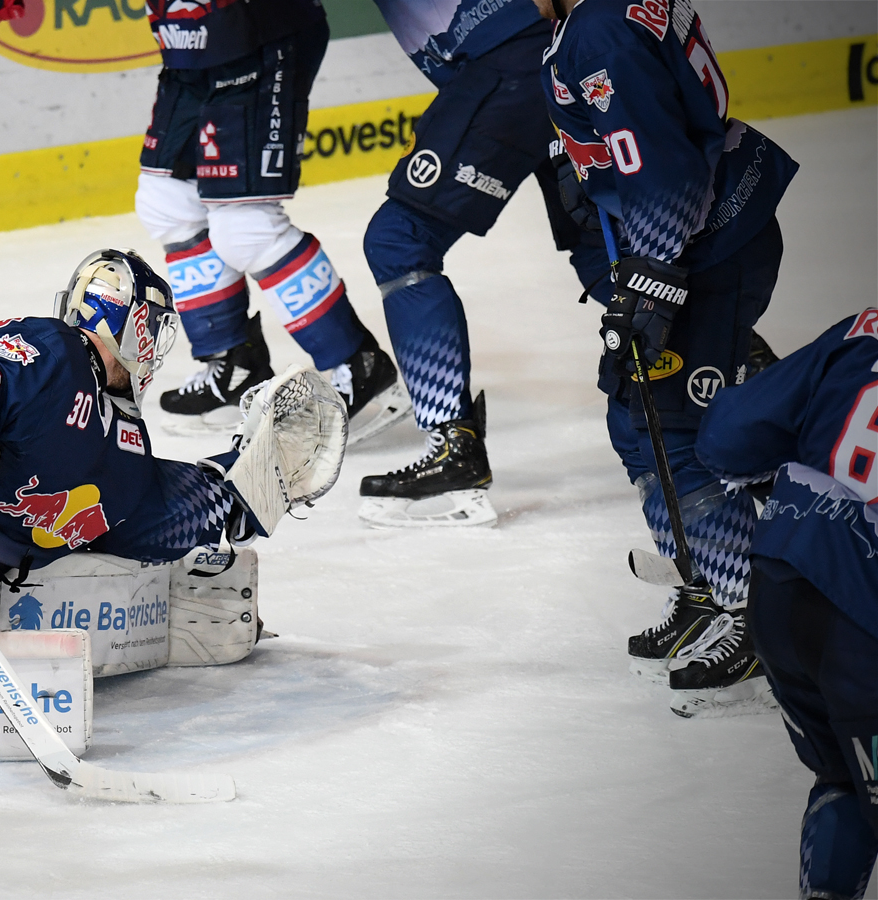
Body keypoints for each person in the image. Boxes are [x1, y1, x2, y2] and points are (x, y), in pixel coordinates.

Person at [0, 0, 412, 439]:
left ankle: (359, 366)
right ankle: (234, 365)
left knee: (247, 228)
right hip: (190, 45)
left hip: (259, 32)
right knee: (168, 203)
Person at [0, 249, 345, 627]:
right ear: (127, 322)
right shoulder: (54, 351)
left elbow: (162, 512)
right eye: (151, 326)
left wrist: (246, 487)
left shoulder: (124, 441)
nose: (153, 345)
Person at [533, 0, 798, 713]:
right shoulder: (604, 14)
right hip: (705, 239)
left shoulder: (598, 30)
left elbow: (667, 171)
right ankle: (710, 585)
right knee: (640, 422)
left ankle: (759, 619)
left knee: (671, 431)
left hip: (700, 247)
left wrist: (649, 288)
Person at [353, 0, 615, 528]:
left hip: (503, 57)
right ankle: (733, 369)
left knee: (400, 239)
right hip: (553, 50)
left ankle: (455, 447)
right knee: (600, 243)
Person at [695, 308, 878, 897]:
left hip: (778, 586)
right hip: (863, 624)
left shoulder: (865, 327)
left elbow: (726, 433)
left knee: (841, 777)